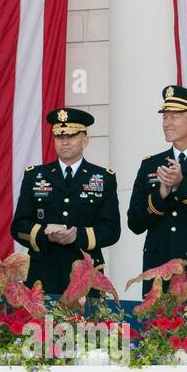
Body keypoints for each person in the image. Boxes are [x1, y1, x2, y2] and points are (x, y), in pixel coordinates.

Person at [11, 108, 120, 296]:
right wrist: (45, 233)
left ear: (85, 140)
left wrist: (77, 236)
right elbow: (19, 226)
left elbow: (112, 229)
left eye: (71, 136)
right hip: (43, 273)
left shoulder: (103, 177)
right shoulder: (35, 175)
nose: (65, 142)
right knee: (40, 325)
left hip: (85, 274)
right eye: (59, 136)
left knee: (88, 326)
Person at [127, 85, 187, 295]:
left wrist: (182, 186)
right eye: (165, 117)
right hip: (159, 272)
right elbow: (135, 223)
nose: (167, 123)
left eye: (174, 116)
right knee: (156, 327)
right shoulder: (150, 165)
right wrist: (161, 195)